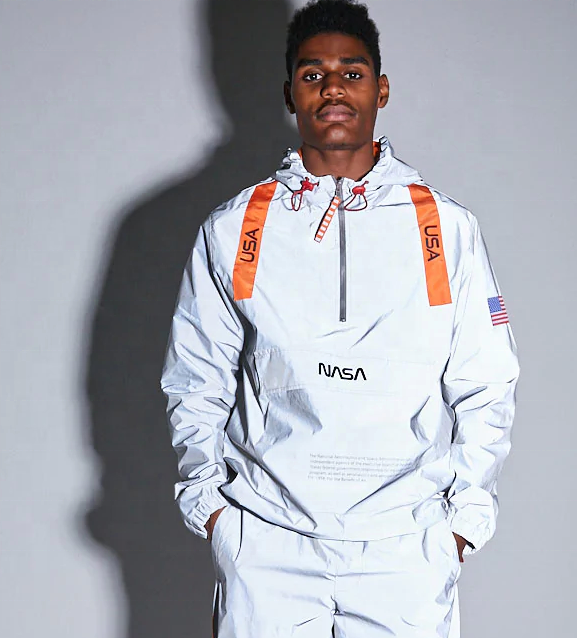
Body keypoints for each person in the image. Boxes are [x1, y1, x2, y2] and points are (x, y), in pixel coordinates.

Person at [160, 0, 519, 636]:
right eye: (312, 74)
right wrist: (212, 509)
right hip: (268, 544)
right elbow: (195, 379)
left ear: (381, 90)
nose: (332, 88)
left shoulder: (446, 229)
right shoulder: (235, 229)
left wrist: (463, 524)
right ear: (289, 93)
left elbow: (487, 381)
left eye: (352, 73)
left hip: (404, 547)